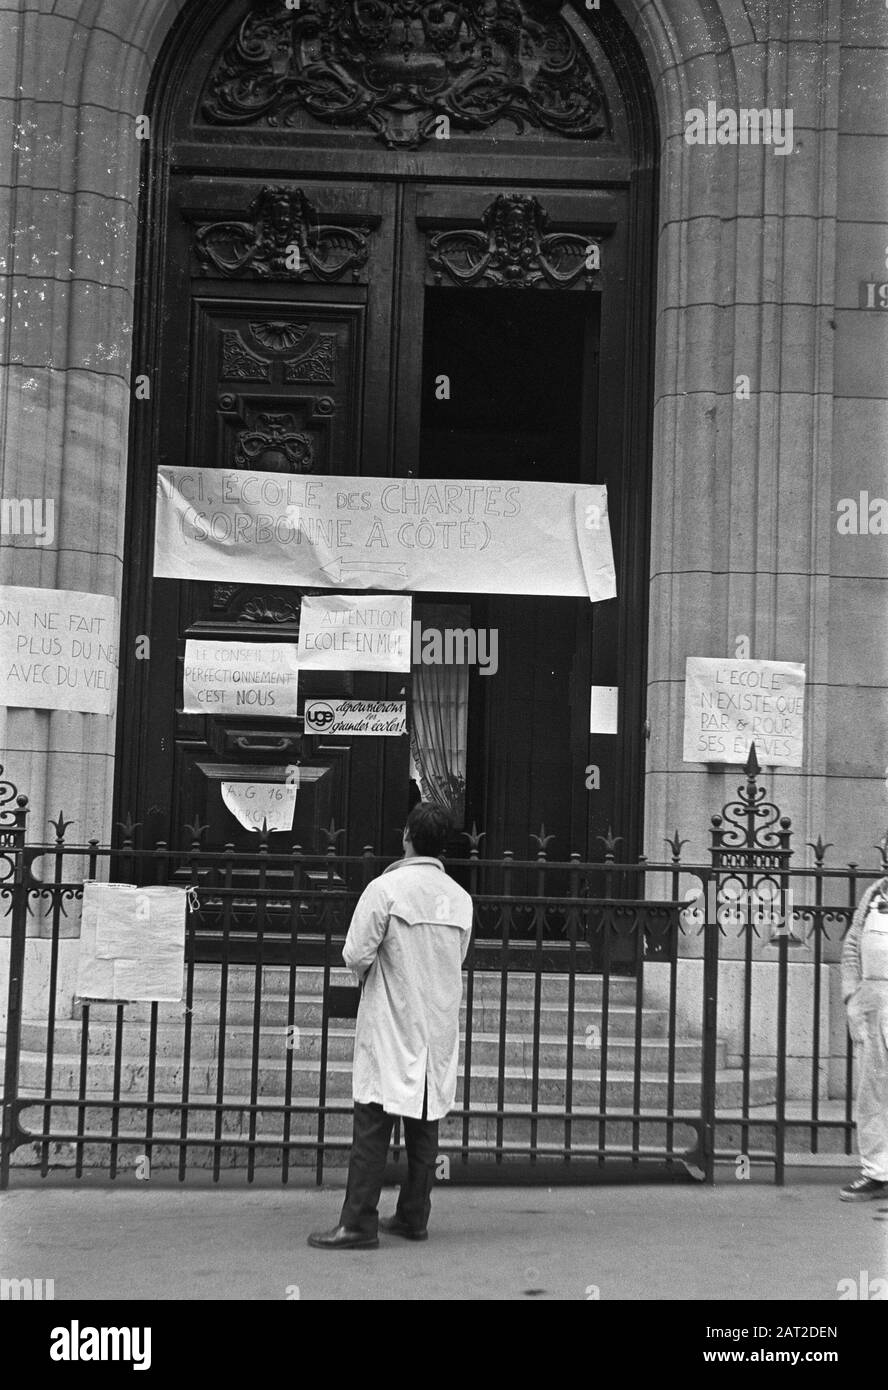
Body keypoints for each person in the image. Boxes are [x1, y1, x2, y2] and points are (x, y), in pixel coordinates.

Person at [308, 802, 473, 1249]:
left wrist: (374, 977)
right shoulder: (460, 899)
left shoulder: (386, 889)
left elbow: (355, 953)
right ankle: (413, 1216)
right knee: (425, 1120)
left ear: (407, 837)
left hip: (391, 1016)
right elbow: (456, 958)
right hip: (435, 1021)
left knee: (373, 1122)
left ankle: (358, 1221)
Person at [840, 873, 888, 1200]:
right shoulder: (874, 893)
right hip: (873, 1000)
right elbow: (851, 946)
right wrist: (852, 996)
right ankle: (878, 1173)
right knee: (872, 1090)